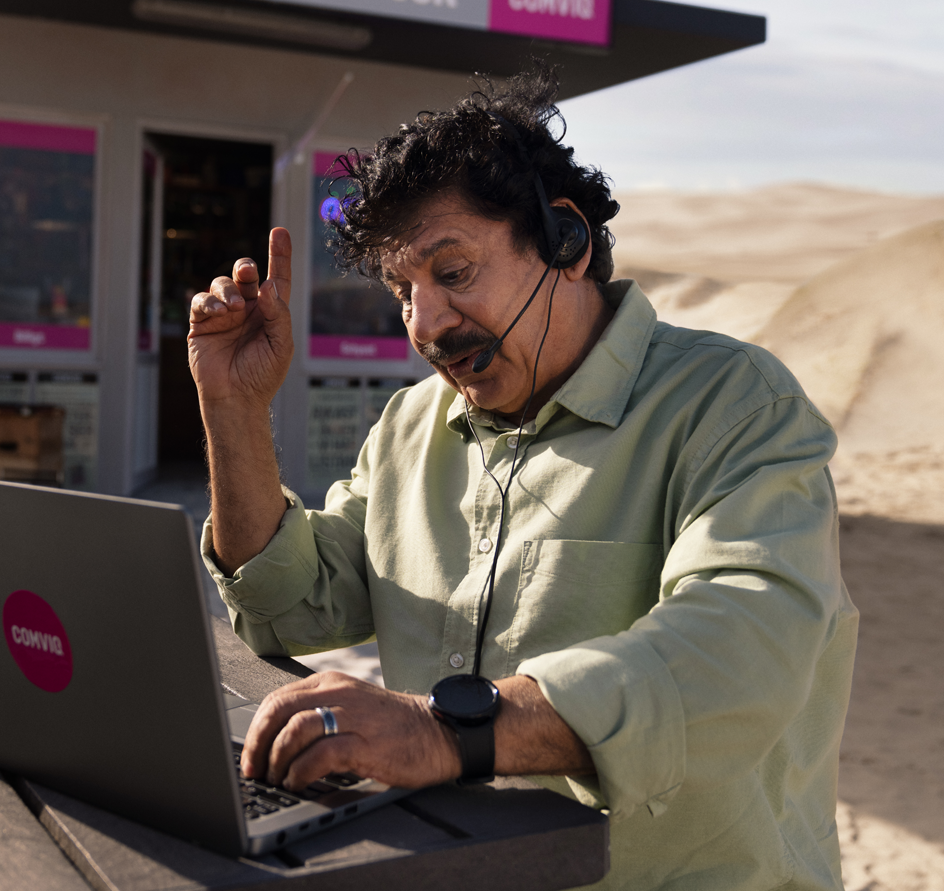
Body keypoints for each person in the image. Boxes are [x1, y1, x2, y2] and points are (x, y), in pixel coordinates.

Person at [189, 66, 857, 891]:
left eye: (454, 272)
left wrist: (446, 731)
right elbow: (291, 603)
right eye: (404, 291)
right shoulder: (411, 426)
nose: (425, 324)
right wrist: (232, 407)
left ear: (565, 242)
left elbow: (740, 649)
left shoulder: (736, 407)